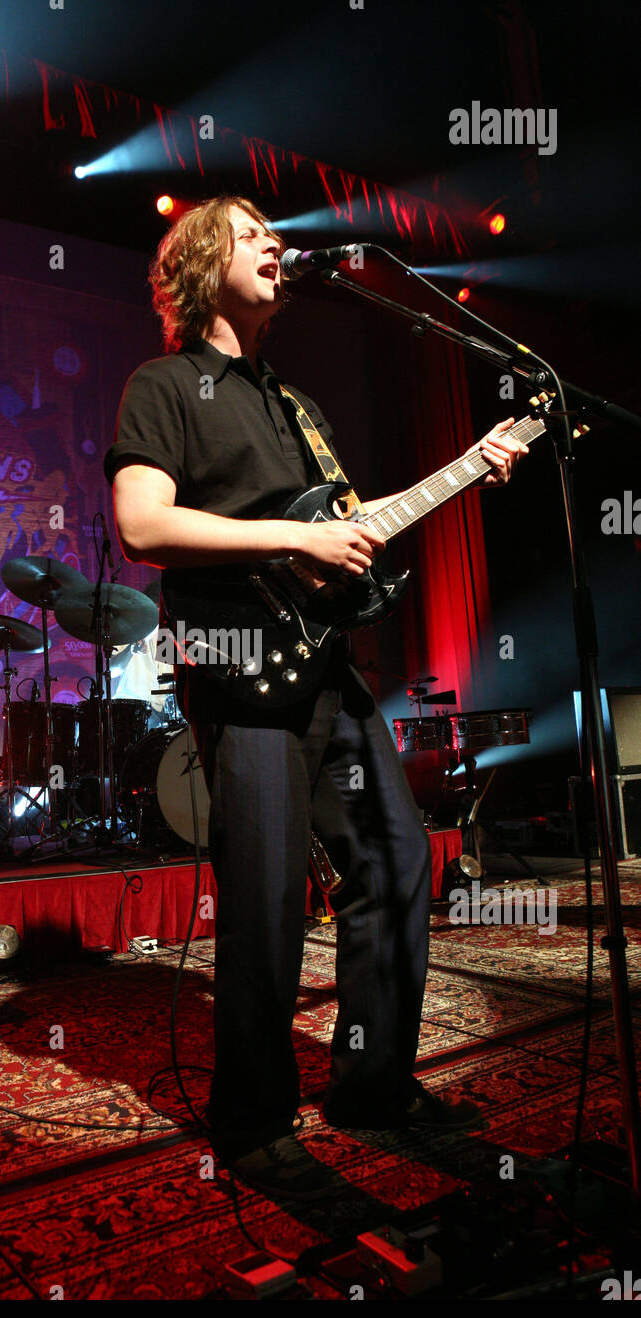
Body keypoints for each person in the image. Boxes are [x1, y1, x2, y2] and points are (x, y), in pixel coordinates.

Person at [104, 195, 528, 1200]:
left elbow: (352, 529)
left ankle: (370, 1084)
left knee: (392, 862)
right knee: (262, 898)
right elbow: (142, 524)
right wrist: (291, 539)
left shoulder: (297, 406)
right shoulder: (162, 384)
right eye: (253, 236)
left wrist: (472, 464)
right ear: (204, 265)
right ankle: (250, 1121)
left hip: (323, 663)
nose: (276, 248)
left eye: (274, 237)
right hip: (236, 659)